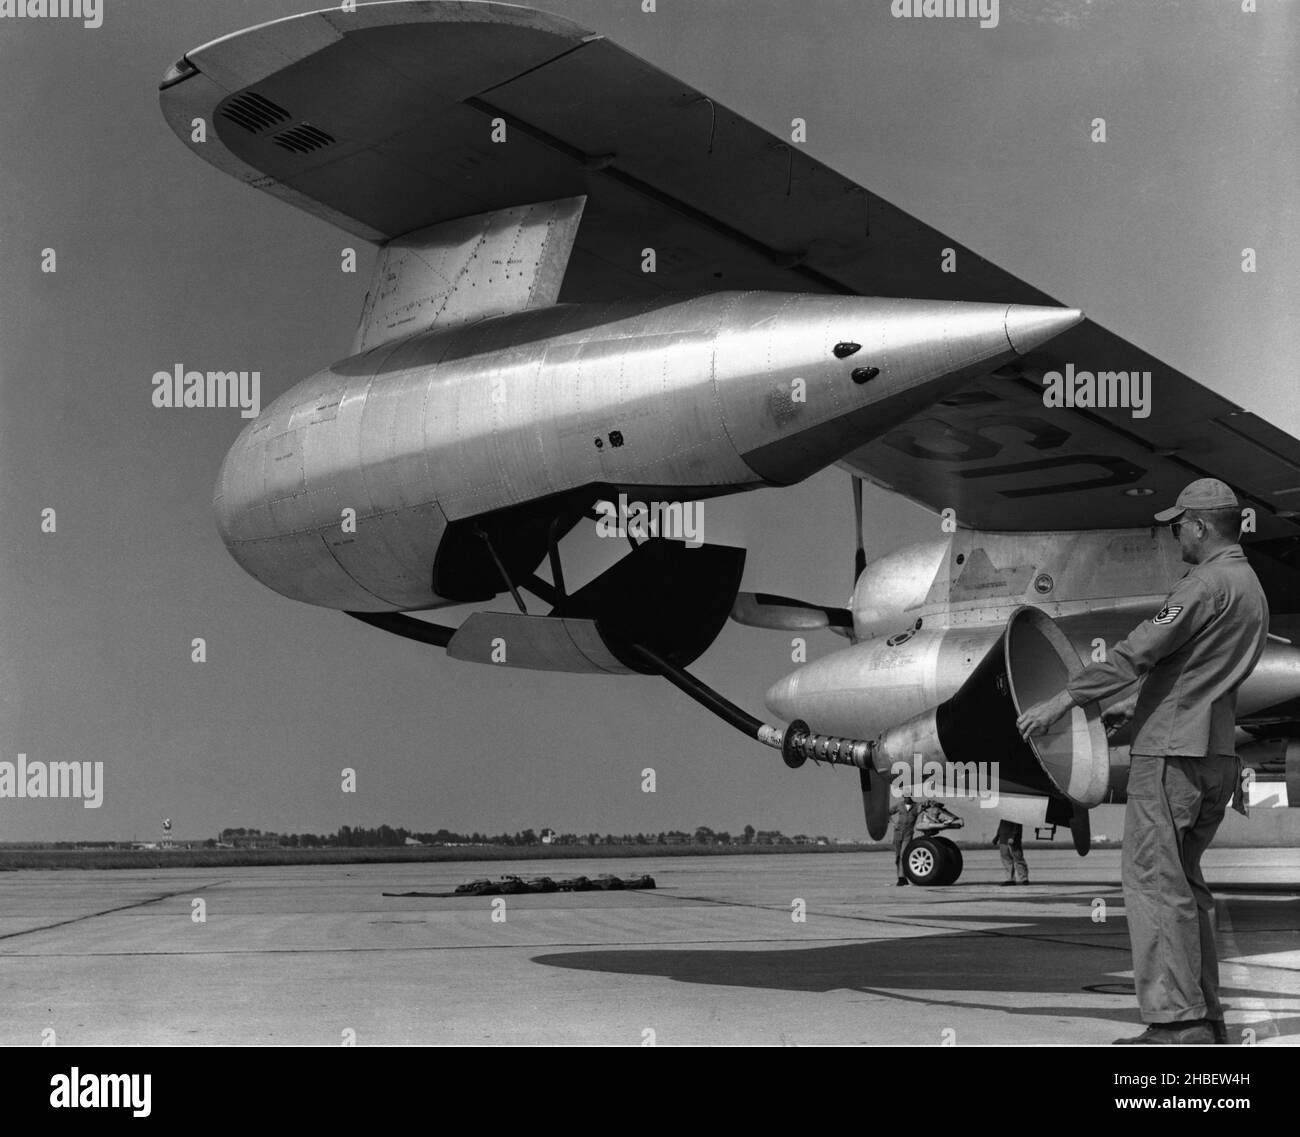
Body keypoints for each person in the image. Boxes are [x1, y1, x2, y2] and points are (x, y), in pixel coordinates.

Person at [1015, 478, 1268, 1046]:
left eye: (1179, 525)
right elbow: (1201, 671)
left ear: (1200, 526)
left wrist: (1063, 699)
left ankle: (1177, 1024)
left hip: (1171, 757)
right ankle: (1204, 1019)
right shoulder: (1250, 587)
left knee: (1154, 886)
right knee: (1185, 889)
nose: (1175, 534)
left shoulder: (1203, 584)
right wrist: (1134, 709)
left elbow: (1137, 653)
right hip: (1214, 756)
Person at [889, 795, 919, 886]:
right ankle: (900, 877)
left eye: (908, 796)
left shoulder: (916, 806)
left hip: (908, 833)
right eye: (905, 796)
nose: (907, 798)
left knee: (904, 855)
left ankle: (902, 878)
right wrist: (893, 823)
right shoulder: (899, 805)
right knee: (898, 856)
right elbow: (888, 813)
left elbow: (925, 807)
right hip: (898, 832)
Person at [995, 819, 1028, 885]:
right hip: (1003, 840)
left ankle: (1024, 879)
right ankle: (1010, 879)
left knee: (1018, 859)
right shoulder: (1003, 817)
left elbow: (1017, 827)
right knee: (1006, 860)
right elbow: (1000, 827)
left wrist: (1013, 837)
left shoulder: (1016, 816)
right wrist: (997, 837)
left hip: (1014, 842)